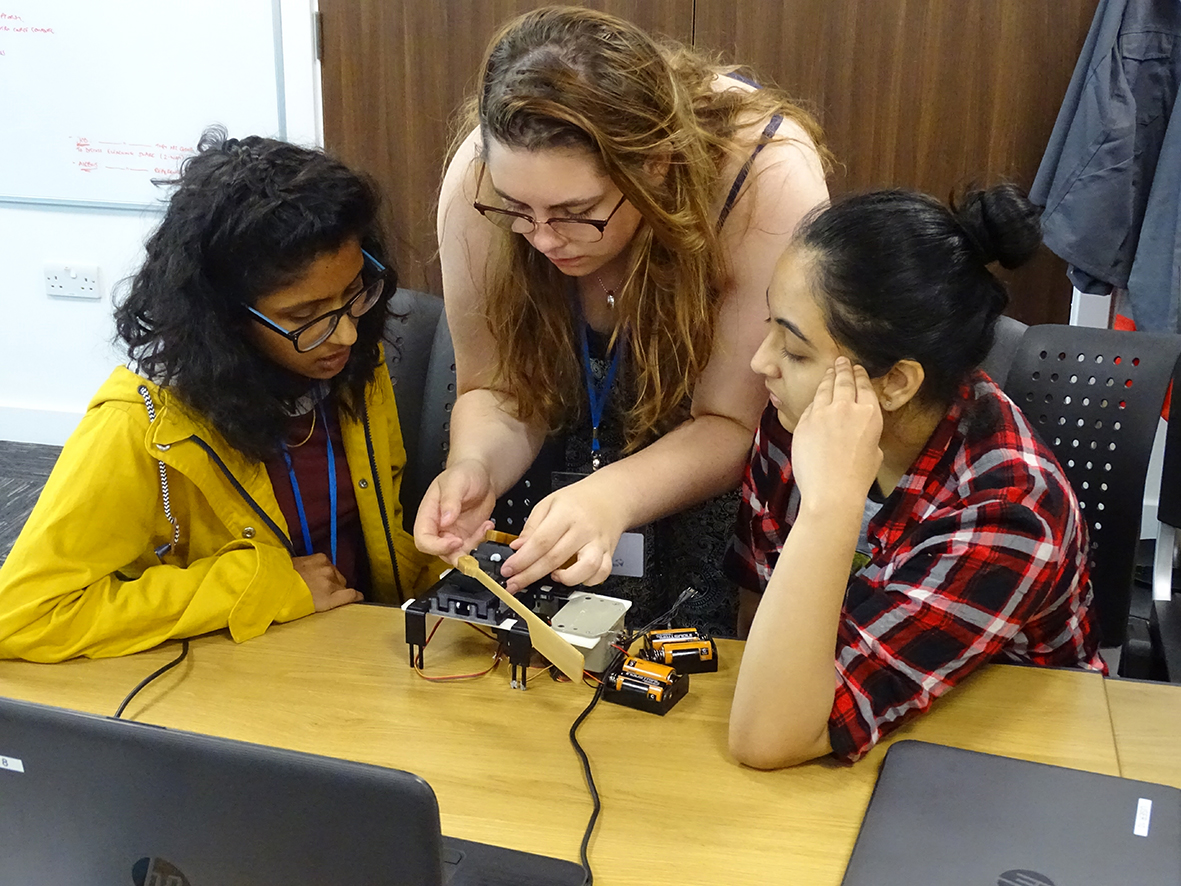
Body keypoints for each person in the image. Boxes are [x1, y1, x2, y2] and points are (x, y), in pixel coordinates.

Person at [416, 6, 830, 632]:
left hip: (714, 487)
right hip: (562, 485)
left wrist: (614, 494)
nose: (544, 238)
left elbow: (727, 421)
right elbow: (499, 389)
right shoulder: (482, 179)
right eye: (518, 211)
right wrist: (473, 465)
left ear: (655, 166)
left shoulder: (762, 175)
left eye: (576, 211)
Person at [0, 127, 444, 662]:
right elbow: (21, 614)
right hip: (238, 671)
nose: (347, 334)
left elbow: (375, 534)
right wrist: (256, 586)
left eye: (353, 295)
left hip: (363, 649)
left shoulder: (349, 369)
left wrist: (455, 564)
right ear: (223, 320)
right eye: (304, 317)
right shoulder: (139, 428)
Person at [725, 185, 1107, 768]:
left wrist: (830, 504)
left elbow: (770, 739)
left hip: (1007, 759)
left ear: (896, 383)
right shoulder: (798, 416)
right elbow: (758, 615)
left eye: (797, 351)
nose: (762, 363)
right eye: (771, 325)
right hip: (847, 735)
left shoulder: (1010, 509)